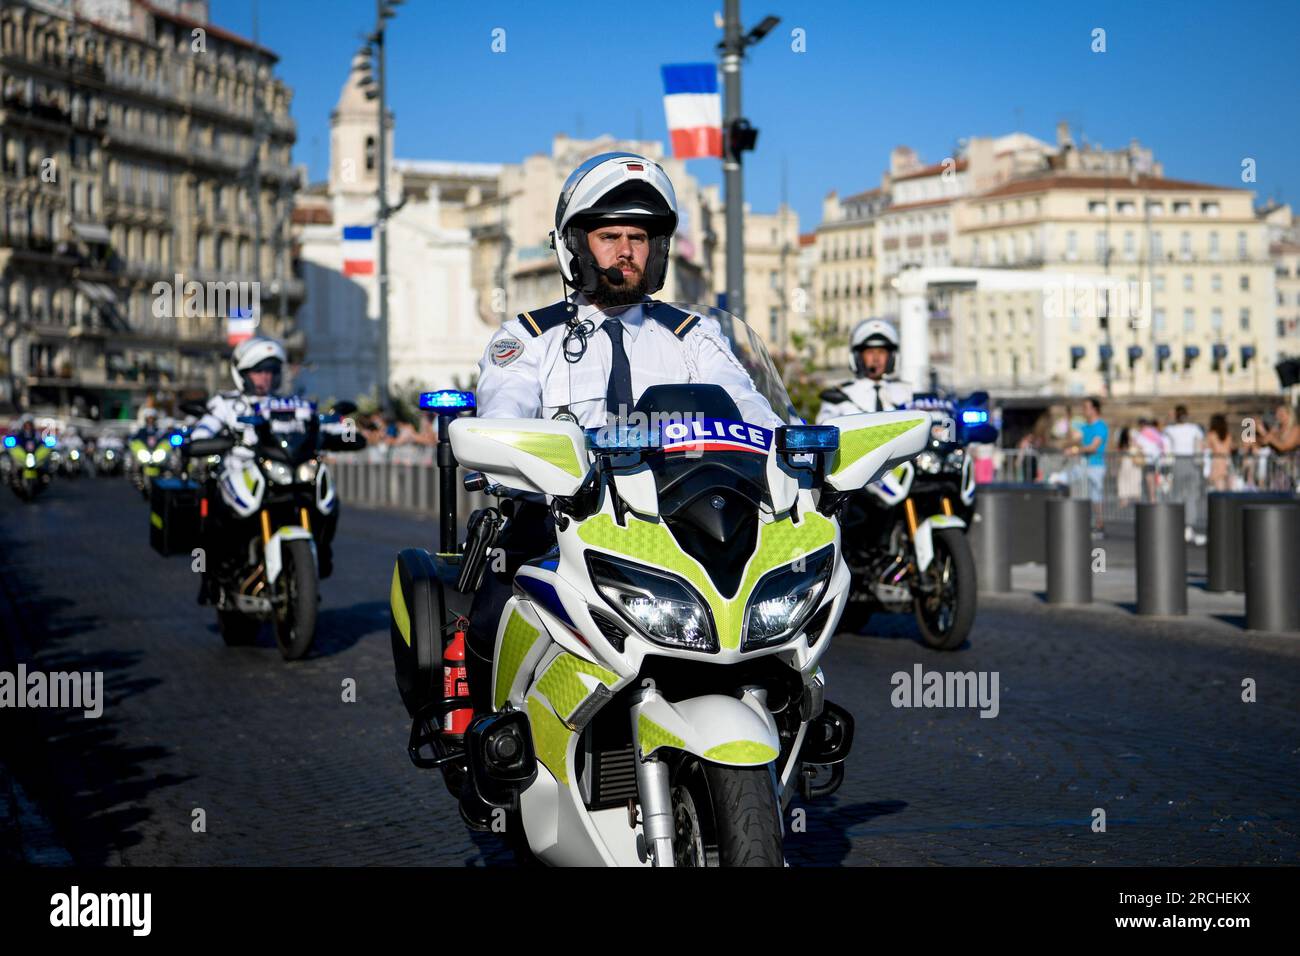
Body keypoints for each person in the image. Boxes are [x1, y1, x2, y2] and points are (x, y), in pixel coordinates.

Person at [465, 151, 781, 716]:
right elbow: (503, 413)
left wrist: (794, 455)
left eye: (638, 237)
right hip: (557, 526)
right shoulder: (527, 338)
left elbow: (751, 408)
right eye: (609, 235)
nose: (625, 251)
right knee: (490, 619)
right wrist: (507, 452)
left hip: (676, 529)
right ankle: (492, 746)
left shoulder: (693, 336)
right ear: (575, 245)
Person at [190, 336, 343, 589]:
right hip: (241, 472)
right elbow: (201, 433)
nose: (266, 377)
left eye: (271, 371)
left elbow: (324, 426)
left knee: (326, 495)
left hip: (283, 471)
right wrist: (206, 441)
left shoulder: (296, 404)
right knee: (213, 504)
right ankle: (215, 571)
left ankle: (322, 552)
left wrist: (344, 434)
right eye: (259, 371)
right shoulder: (226, 403)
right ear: (243, 373)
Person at [814, 318, 913, 421]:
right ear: (858, 357)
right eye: (870, 352)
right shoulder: (838, 395)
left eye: (881, 352)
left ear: (891, 358)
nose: (876, 359)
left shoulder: (906, 392)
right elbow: (824, 426)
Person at [1066, 396, 1108, 538]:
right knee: (1066, 483)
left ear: (1094, 409)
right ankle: (1075, 522)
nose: (1083, 411)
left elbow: (1093, 447)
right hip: (1082, 465)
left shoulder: (1101, 426)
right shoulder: (1084, 427)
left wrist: (1076, 450)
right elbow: (1073, 439)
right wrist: (1068, 422)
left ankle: (1099, 526)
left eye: (1086, 408)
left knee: (1096, 497)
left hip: (1096, 466)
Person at [1164, 404, 1206, 545]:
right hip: (1192, 462)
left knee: (1177, 495)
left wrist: (1169, 417)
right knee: (1191, 496)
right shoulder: (1194, 429)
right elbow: (1200, 442)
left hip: (1178, 461)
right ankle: (1188, 527)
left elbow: (1163, 431)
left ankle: (1178, 525)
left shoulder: (1170, 429)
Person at [1206, 413, 1233, 492]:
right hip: (1227, 461)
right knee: (1228, 489)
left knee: (1219, 490)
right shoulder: (1228, 435)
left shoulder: (1211, 435)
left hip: (1217, 461)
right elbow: (1230, 448)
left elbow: (1206, 447)